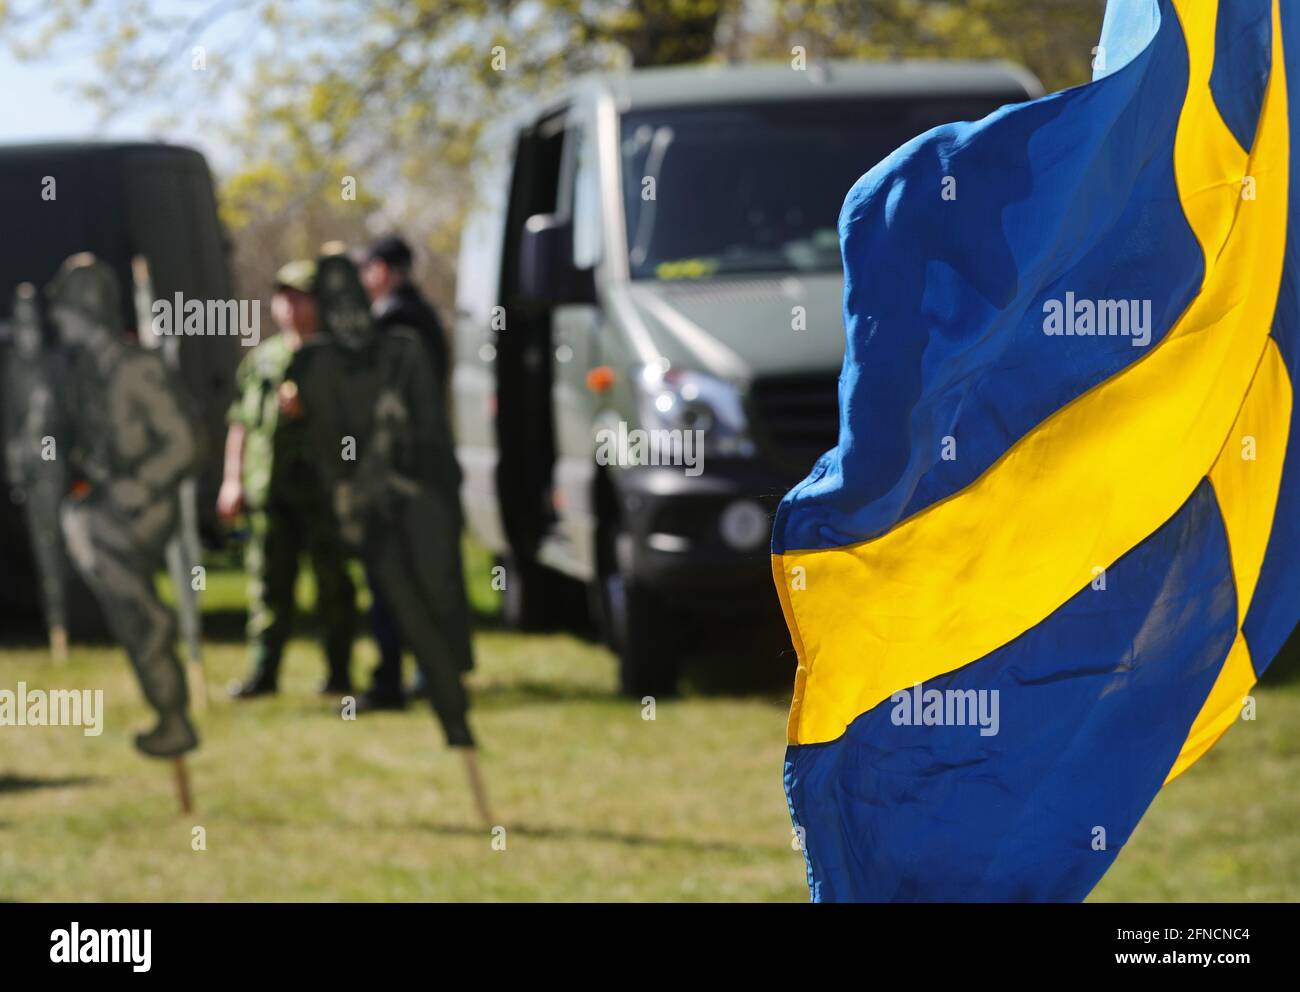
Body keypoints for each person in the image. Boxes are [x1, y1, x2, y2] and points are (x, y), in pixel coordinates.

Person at [290, 250, 491, 821]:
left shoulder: (402, 353)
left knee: (439, 600)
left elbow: (426, 431)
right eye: (335, 306)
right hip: (372, 516)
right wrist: (351, 497)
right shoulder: (317, 367)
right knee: (403, 606)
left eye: (354, 300)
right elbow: (329, 450)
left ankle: (449, 695)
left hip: (420, 502)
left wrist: (396, 467)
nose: (348, 317)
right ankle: (446, 712)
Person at [48, 254, 198, 757]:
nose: (58, 323)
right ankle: (167, 708)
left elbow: (183, 444)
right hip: (108, 502)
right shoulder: (83, 376)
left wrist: (139, 487)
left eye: (65, 312)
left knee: (96, 551)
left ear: (86, 312)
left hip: (145, 508)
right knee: (81, 528)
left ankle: (155, 639)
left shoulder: (140, 369)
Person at [219, 260, 356, 699]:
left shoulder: (340, 359)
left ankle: (338, 674)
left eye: (299, 296)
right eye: (283, 297)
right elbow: (240, 423)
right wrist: (231, 481)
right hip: (270, 491)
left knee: (332, 584)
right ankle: (264, 675)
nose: (289, 305)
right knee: (268, 585)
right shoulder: (263, 359)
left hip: (324, 494)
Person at [354, 235, 451, 710]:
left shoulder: (394, 321)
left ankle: (392, 679)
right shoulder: (422, 315)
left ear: (385, 270)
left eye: (365, 269)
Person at [3, 283, 69, 661]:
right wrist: (14, 457)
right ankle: (54, 625)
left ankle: (69, 621)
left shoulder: (54, 364)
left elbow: (65, 417)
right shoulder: (13, 367)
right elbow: (11, 416)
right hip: (29, 464)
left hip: (52, 461)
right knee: (40, 545)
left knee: (57, 544)